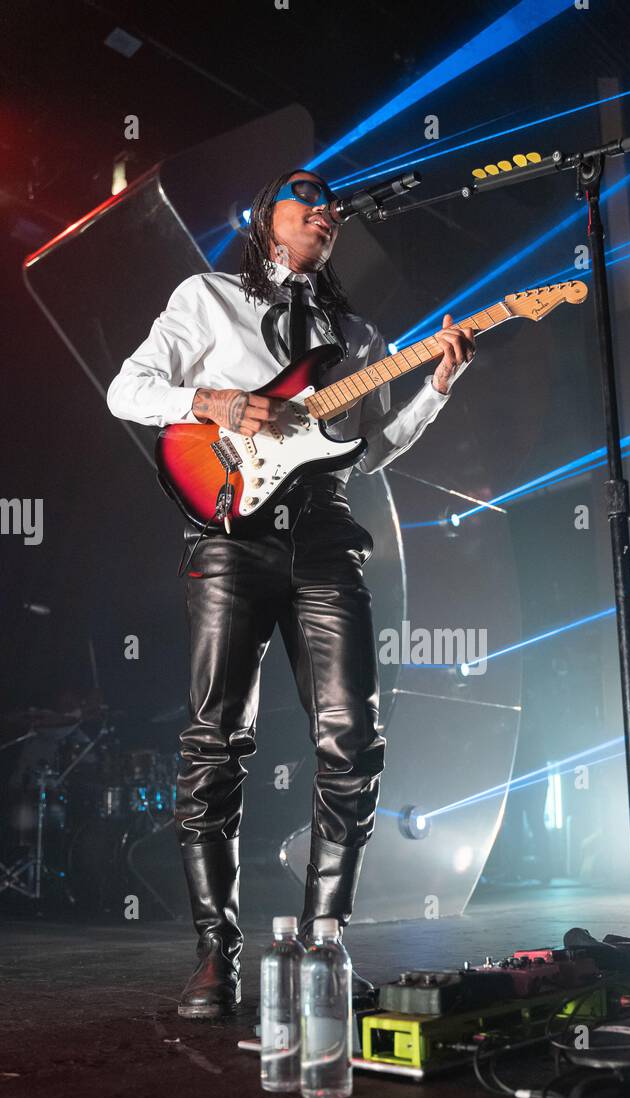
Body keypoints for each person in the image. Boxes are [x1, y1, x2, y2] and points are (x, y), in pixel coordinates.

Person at [106, 168, 476, 1018]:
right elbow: (128, 389)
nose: (324, 211)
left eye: (331, 206)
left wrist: (438, 386)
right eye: (305, 199)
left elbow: (371, 450)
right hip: (229, 535)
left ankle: (325, 941)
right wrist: (215, 400)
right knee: (214, 740)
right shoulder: (206, 299)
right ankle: (214, 955)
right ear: (265, 219)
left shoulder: (359, 332)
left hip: (324, 535)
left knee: (354, 739)